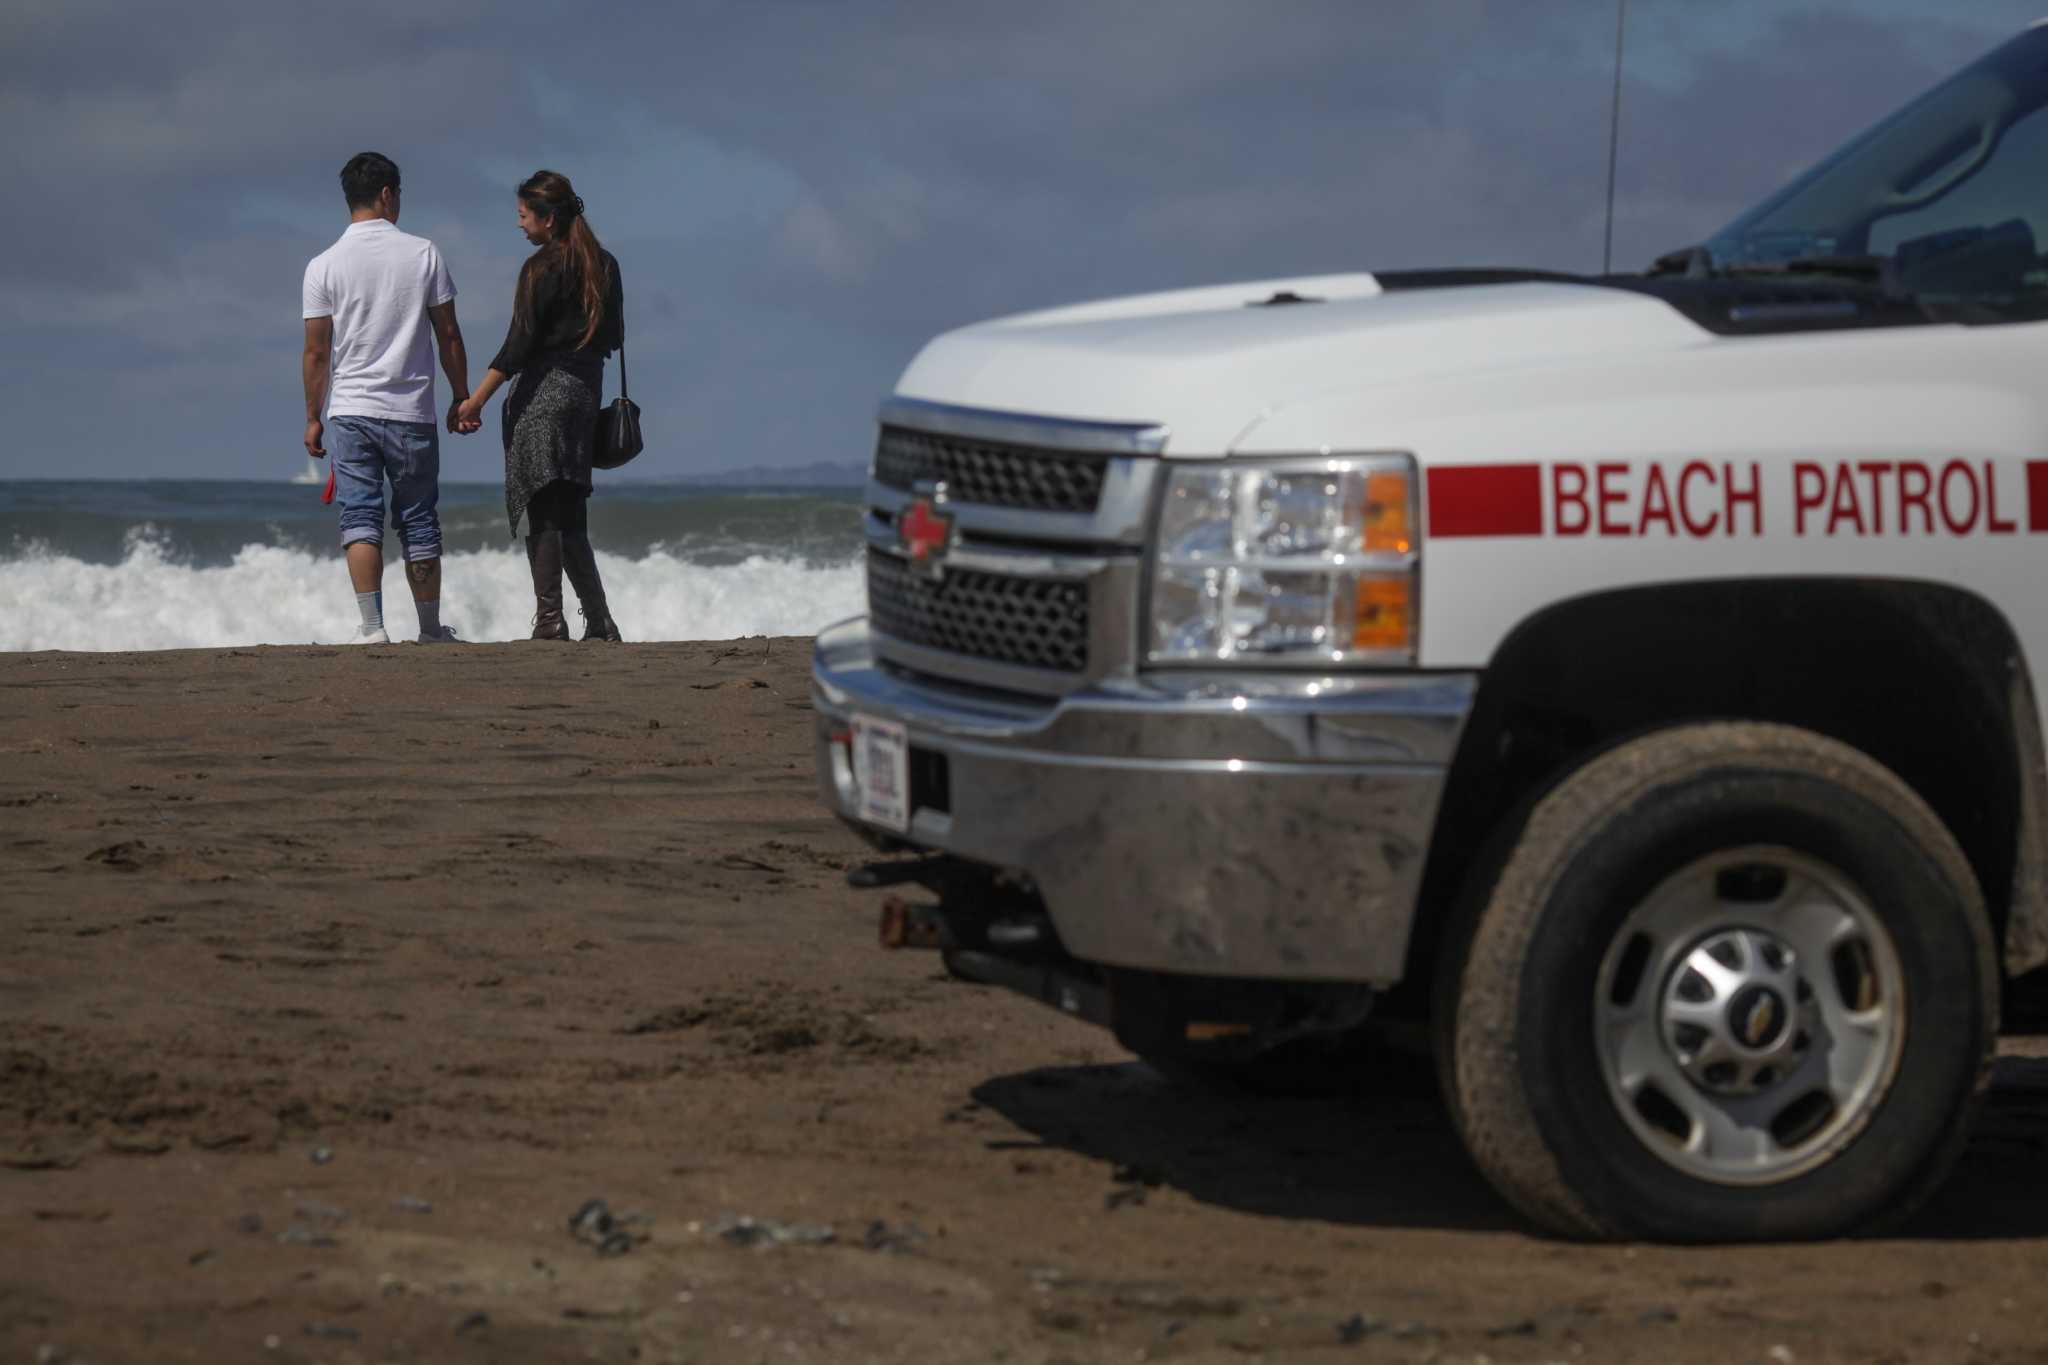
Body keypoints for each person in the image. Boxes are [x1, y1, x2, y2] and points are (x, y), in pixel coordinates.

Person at [302, 151, 473, 645]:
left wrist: (312, 416)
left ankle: (372, 628)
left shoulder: (323, 265)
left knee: (359, 515)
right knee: (418, 518)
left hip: (351, 410)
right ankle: (429, 629)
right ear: (387, 194)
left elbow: (316, 352)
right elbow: (450, 336)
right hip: (410, 411)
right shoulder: (424, 254)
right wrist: (461, 395)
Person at [455, 170, 624, 642]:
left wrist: (476, 400)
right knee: (570, 510)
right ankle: (600, 619)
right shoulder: (604, 264)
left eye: (524, 215)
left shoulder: (542, 268)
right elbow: (613, 338)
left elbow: (518, 347)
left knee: (546, 512)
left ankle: (551, 619)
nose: (519, 224)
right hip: (584, 393)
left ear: (548, 219)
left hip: (544, 395)